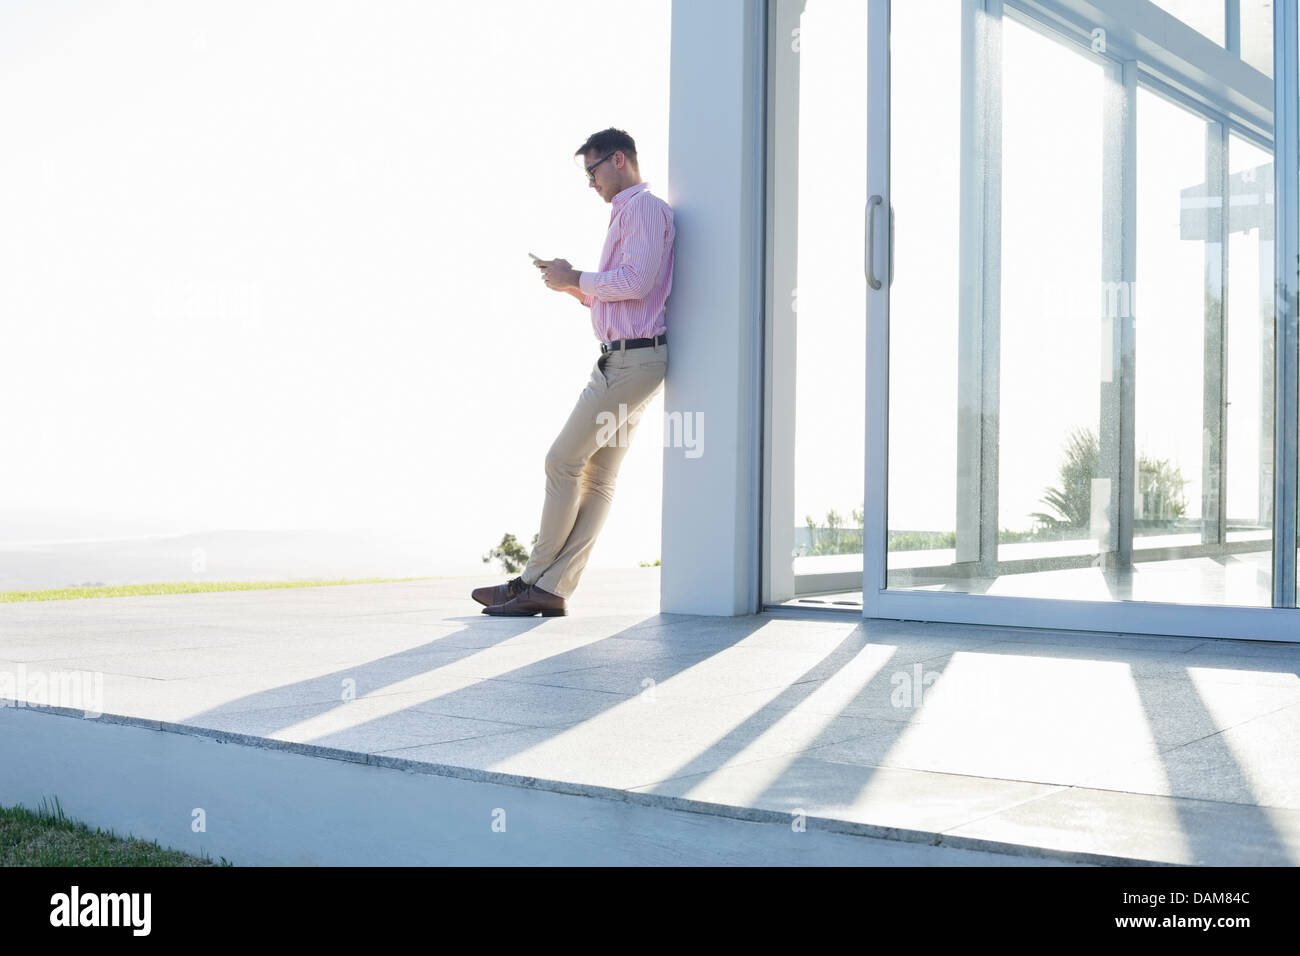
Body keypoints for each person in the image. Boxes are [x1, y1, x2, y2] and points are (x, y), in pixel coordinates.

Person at [473, 128, 674, 616]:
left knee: (561, 461)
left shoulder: (644, 209)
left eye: (593, 170)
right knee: (598, 476)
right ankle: (552, 588)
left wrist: (576, 277)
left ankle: (532, 581)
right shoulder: (627, 214)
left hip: (631, 363)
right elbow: (625, 293)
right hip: (629, 358)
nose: (590, 182)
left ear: (619, 160)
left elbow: (637, 281)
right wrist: (570, 288)